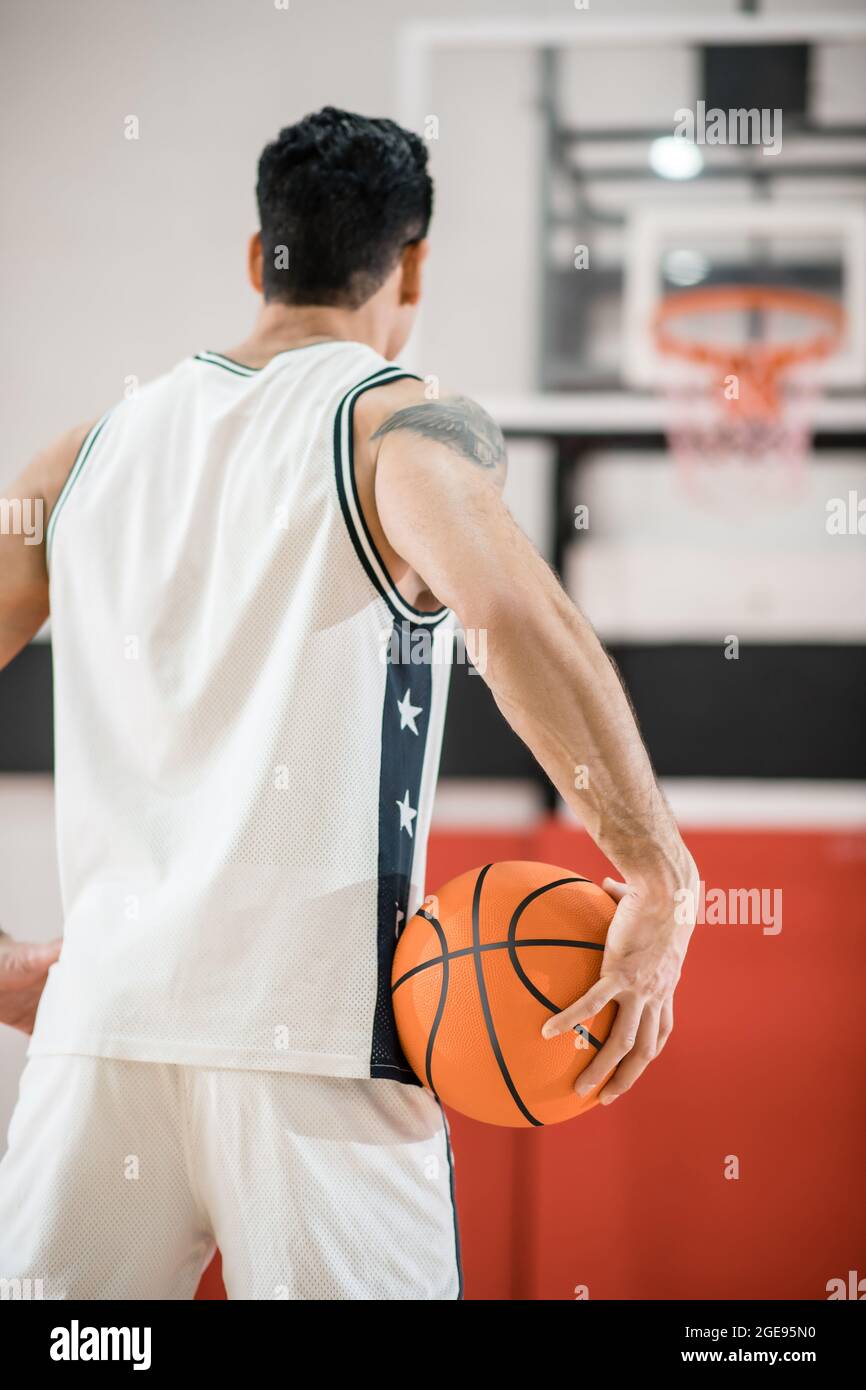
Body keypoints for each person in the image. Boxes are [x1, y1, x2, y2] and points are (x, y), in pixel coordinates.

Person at [0, 106, 697, 1300]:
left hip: (95, 1041)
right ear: (412, 263)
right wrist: (658, 871)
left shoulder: (78, 459)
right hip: (314, 1050)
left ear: (255, 254)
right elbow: (515, 614)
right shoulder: (397, 421)